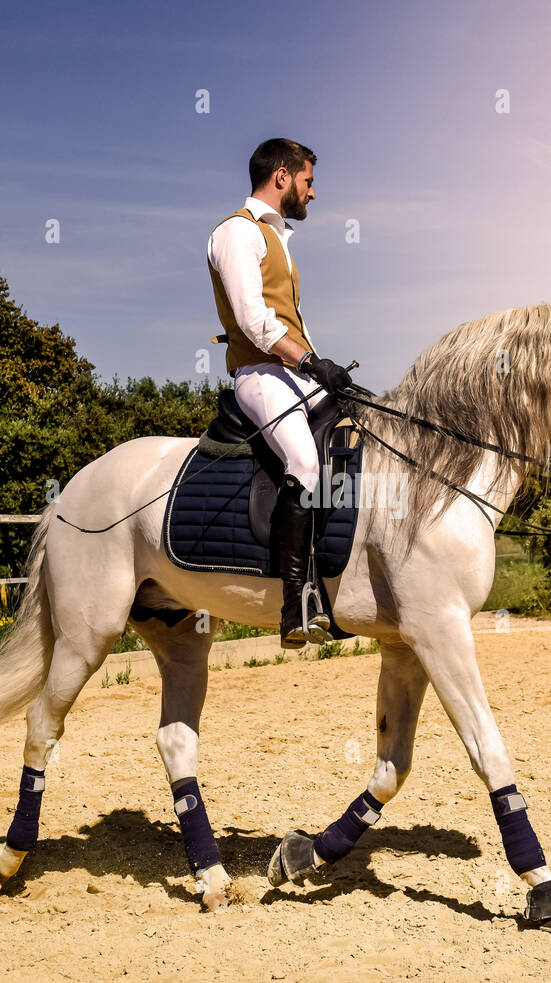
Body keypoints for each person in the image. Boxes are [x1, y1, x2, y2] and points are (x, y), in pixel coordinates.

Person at [207, 138, 353, 647]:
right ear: (283, 177)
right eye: (309, 181)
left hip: (296, 375)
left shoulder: (278, 238)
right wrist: (310, 361)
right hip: (260, 375)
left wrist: (321, 368)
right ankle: (295, 605)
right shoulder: (236, 233)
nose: (313, 193)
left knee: (359, 431)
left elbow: (294, 321)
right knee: (305, 462)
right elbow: (253, 321)